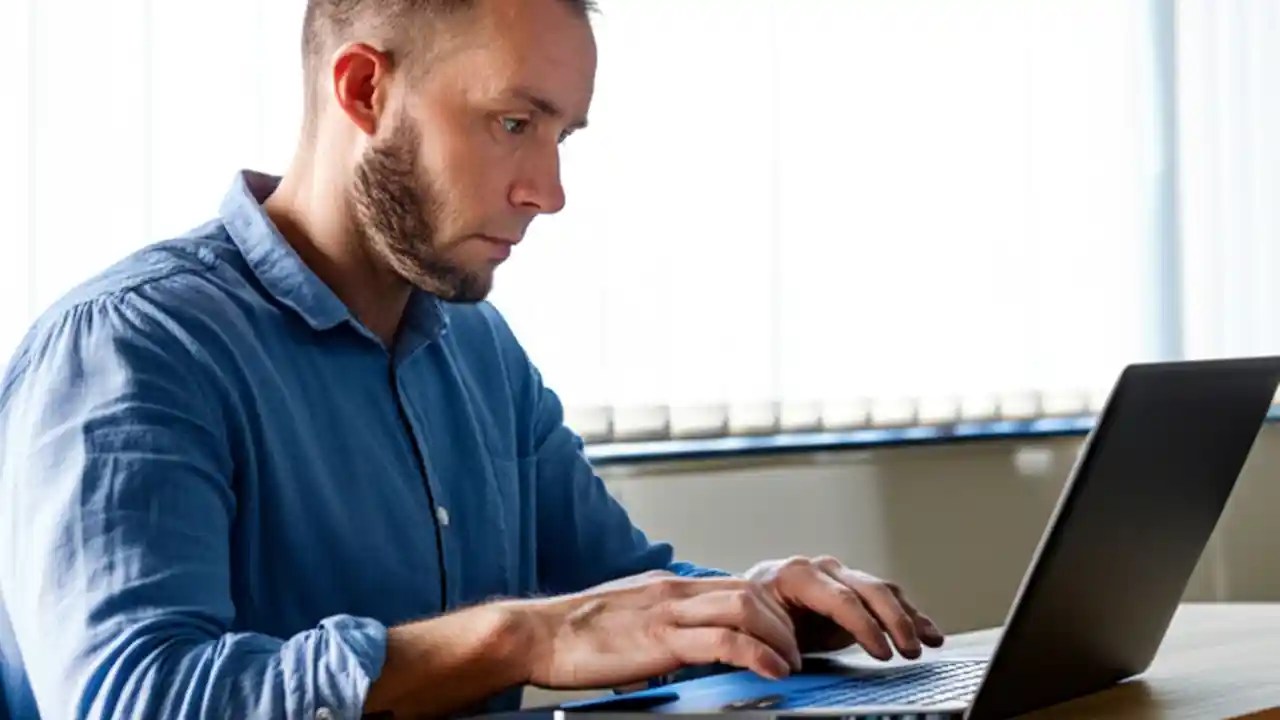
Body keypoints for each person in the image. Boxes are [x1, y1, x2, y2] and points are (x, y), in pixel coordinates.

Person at [0, 0, 945, 717]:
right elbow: (133, 695)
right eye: (512, 123)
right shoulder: (130, 347)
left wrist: (752, 605)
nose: (549, 191)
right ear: (364, 89)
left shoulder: (478, 349)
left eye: (562, 135)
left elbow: (616, 592)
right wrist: (513, 638)